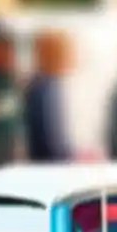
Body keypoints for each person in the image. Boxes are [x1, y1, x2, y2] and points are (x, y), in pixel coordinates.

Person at [23, 30, 73, 162]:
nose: (72, 56)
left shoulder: (38, 82)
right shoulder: (48, 88)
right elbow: (54, 143)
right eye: (67, 51)